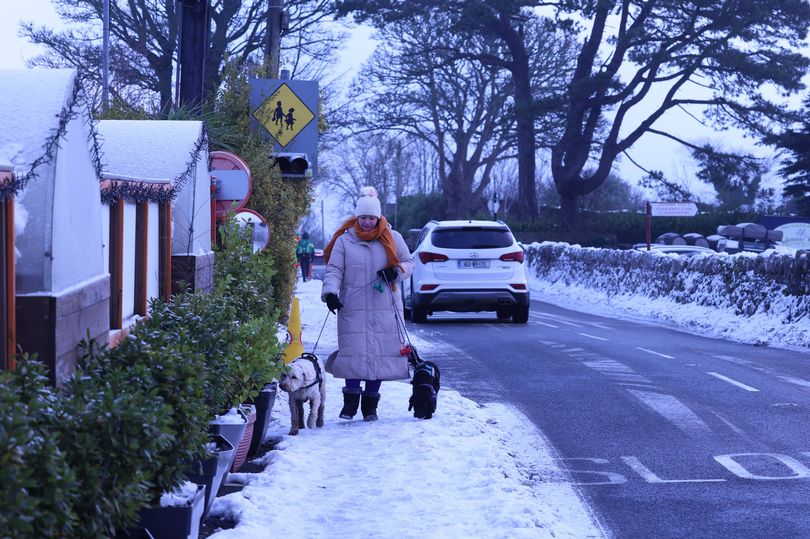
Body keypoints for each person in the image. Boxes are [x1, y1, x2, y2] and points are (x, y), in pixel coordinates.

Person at [321, 186, 414, 422]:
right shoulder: (344, 241)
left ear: (379, 217)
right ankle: (350, 405)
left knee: (380, 356)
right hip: (352, 307)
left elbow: (407, 262)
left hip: (385, 306)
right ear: (356, 217)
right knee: (354, 354)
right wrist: (331, 293)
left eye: (371, 217)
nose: (367, 222)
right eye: (363, 217)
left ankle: (370, 407)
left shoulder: (394, 238)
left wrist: (396, 273)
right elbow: (334, 269)